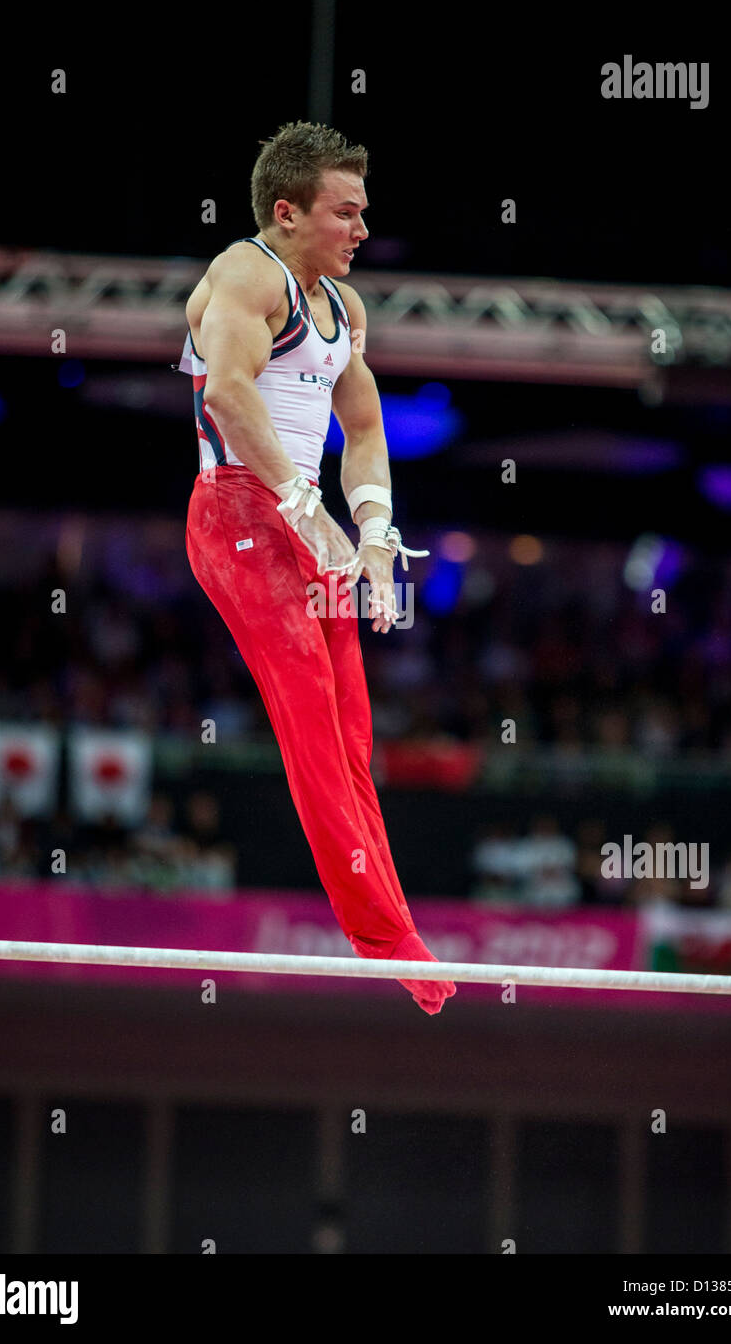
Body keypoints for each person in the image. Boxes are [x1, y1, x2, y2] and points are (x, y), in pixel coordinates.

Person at [176, 121, 454, 1013]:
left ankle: (391, 916)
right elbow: (226, 392)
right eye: (347, 212)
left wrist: (371, 537)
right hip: (237, 512)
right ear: (288, 212)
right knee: (305, 709)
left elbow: (366, 432)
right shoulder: (245, 274)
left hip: (308, 522)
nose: (363, 228)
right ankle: (386, 938)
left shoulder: (344, 308)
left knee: (353, 735)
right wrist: (303, 504)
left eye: (366, 211)